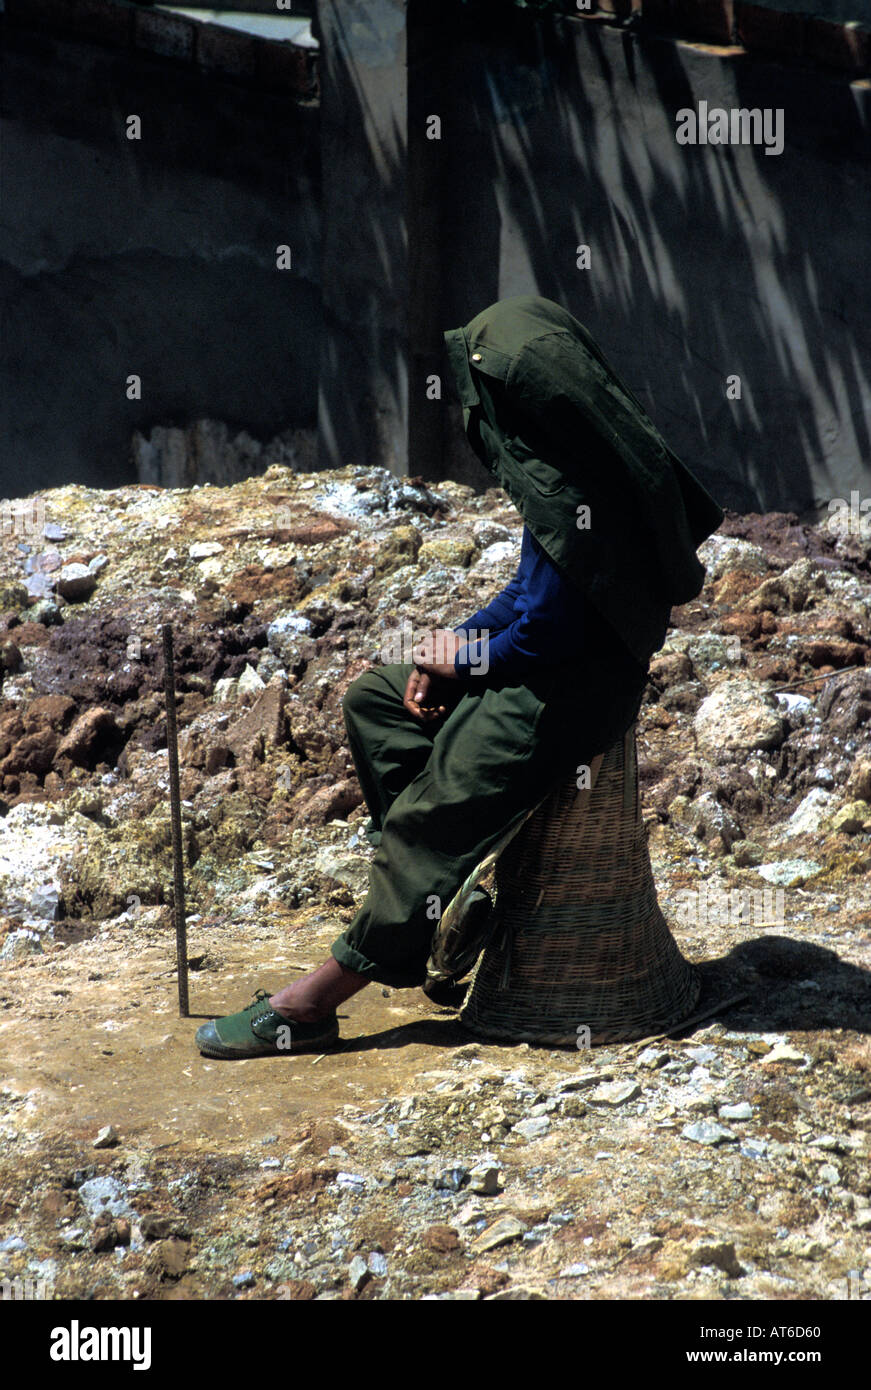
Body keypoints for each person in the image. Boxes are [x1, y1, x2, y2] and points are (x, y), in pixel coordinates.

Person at [195, 295, 724, 1059]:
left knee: (428, 821)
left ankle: (313, 1003)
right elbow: (528, 595)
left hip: (570, 690)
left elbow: (549, 633)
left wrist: (468, 660)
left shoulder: (578, 482)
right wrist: (452, 646)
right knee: (379, 698)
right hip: (542, 659)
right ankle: (448, 902)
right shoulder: (563, 460)